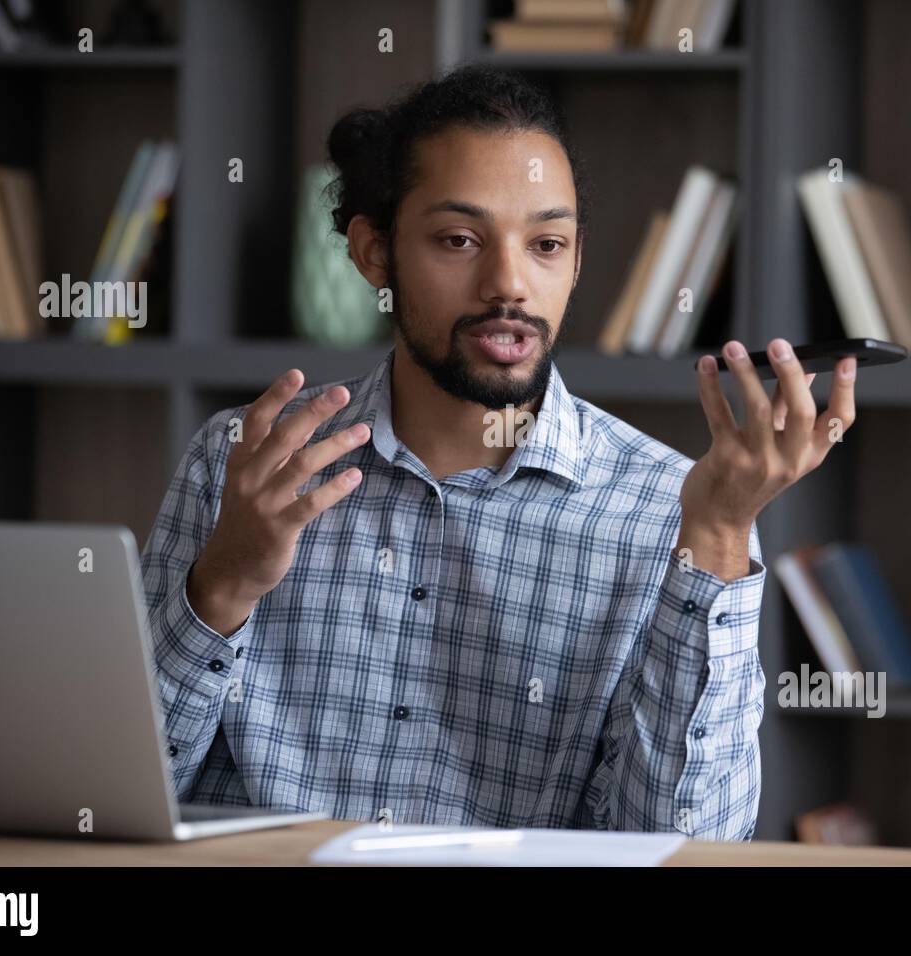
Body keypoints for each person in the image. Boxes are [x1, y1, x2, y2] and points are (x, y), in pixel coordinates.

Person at [140, 64, 856, 841]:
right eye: (458, 239)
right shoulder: (242, 464)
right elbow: (133, 792)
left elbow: (688, 846)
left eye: (546, 244)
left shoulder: (675, 514)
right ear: (374, 254)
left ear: (576, 261)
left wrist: (719, 534)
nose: (509, 284)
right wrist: (222, 589)